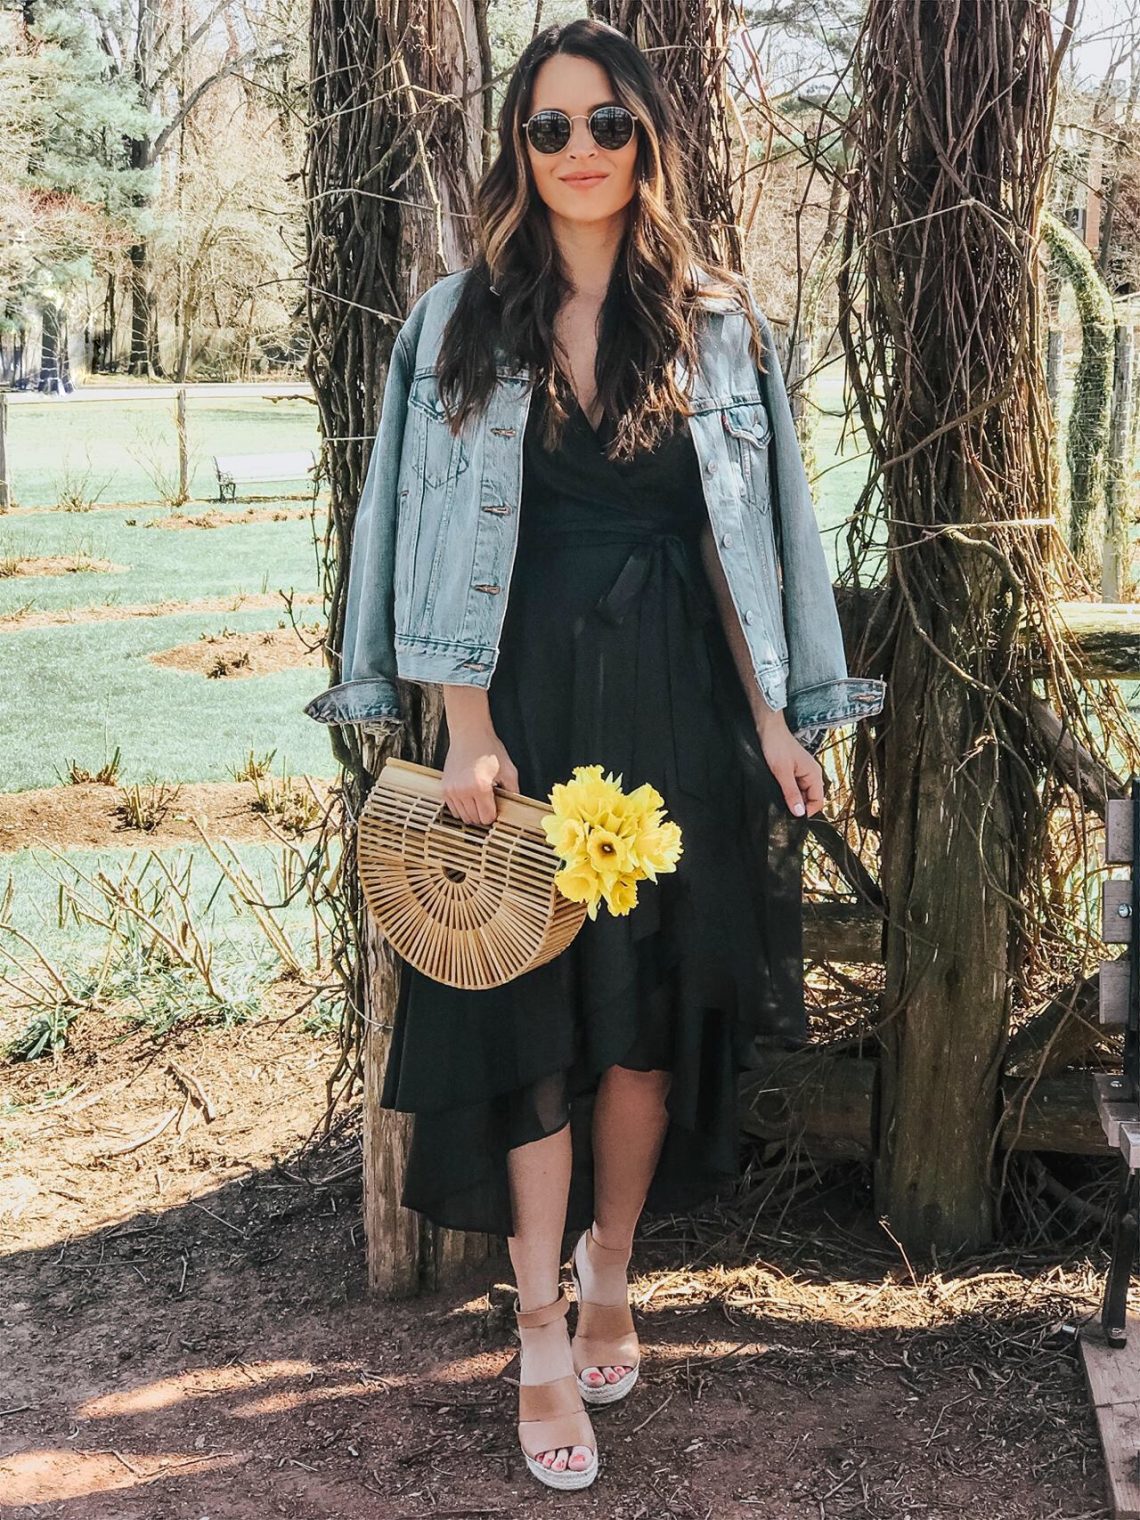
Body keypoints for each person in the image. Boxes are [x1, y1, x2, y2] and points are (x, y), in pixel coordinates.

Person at [319, 16, 885, 1493]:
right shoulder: (453, 325)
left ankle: (615, 1265)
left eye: (608, 125)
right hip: (520, 732)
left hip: (675, 720)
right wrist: (460, 726)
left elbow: (750, 548)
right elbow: (402, 534)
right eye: (552, 127)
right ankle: (540, 1332)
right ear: (520, 147)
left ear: (649, 142)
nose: (580, 152)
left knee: (637, 1031)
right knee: (531, 1038)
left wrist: (779, 721)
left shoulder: (720, 328)